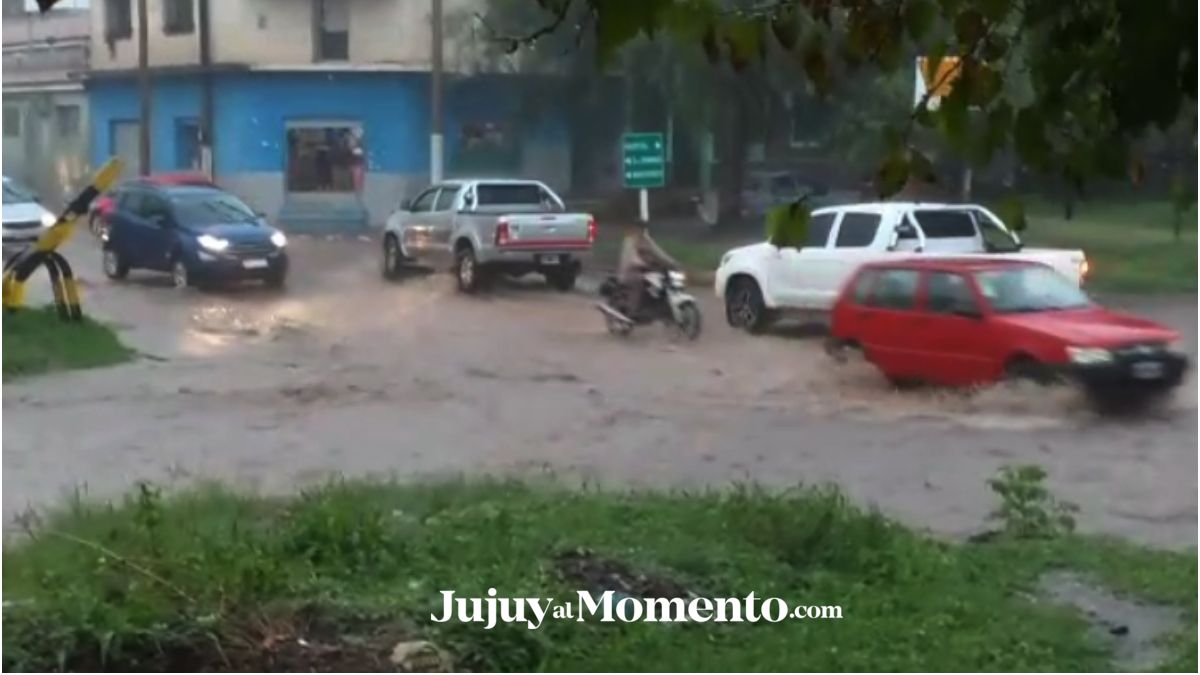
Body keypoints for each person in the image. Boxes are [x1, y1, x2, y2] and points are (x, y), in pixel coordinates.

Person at [614, 221, 681, 319]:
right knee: (640, 281)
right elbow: (631, 259)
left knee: (661, 281)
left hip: (644, 270)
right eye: (639, 228)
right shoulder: (630, 241)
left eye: (643, 228)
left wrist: (673, 263)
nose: (641, 231)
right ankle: (633, 310)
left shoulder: (646, 240)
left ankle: (656, 306)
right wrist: (645, 264)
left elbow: (659, 253)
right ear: (635, 229)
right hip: (629, 272)